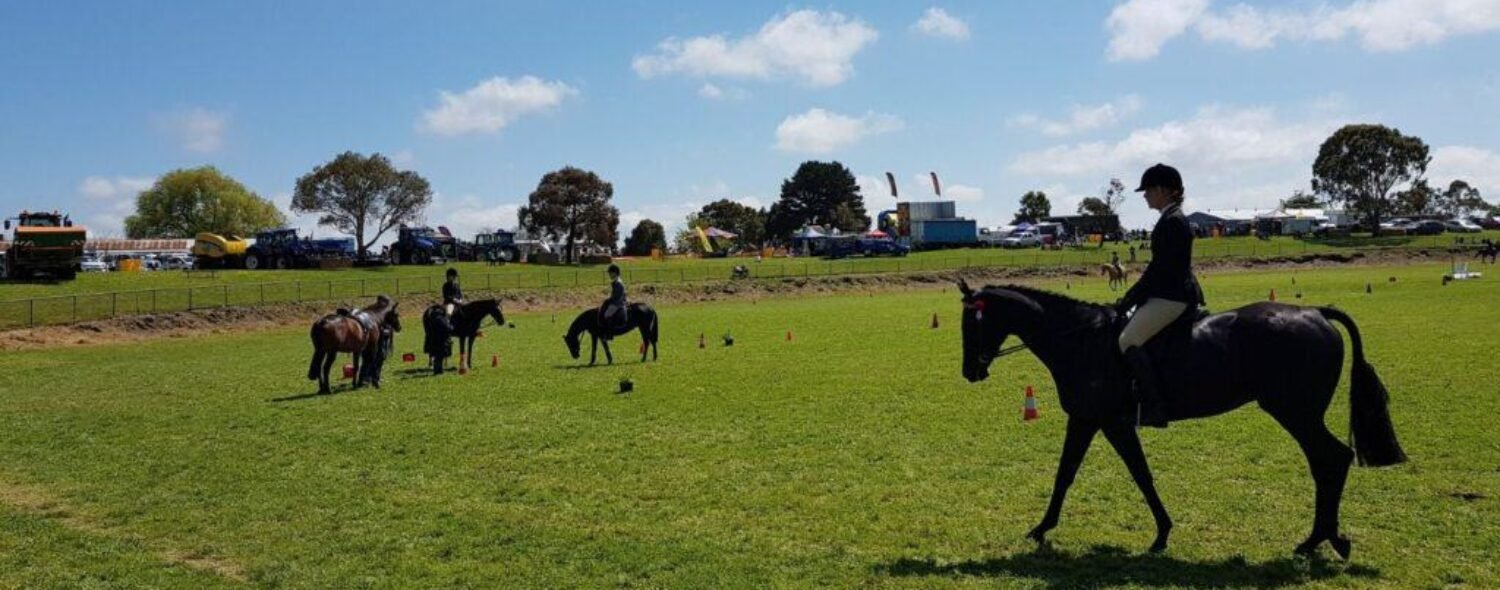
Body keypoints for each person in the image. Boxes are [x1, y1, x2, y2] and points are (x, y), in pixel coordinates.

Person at [1115, 163, 1204, 429]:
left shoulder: (1173, 221)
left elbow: (1161, 269)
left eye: (1148, 190)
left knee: (1128, 340)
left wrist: (1130, 297)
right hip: (1168, 292)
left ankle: (1155, 407)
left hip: (1172, 297)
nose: (1145, 196)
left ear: (1164, 191)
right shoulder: (1169, 217)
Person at [600, 264, 628, 332]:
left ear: (615, 273)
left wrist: (609, 300)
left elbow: (617, 296)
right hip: (617, 301)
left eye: (610, 273)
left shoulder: (618, 283)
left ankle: (608, 332)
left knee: (606, 315)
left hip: (617, 303)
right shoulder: (616, 281)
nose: (609, 275)